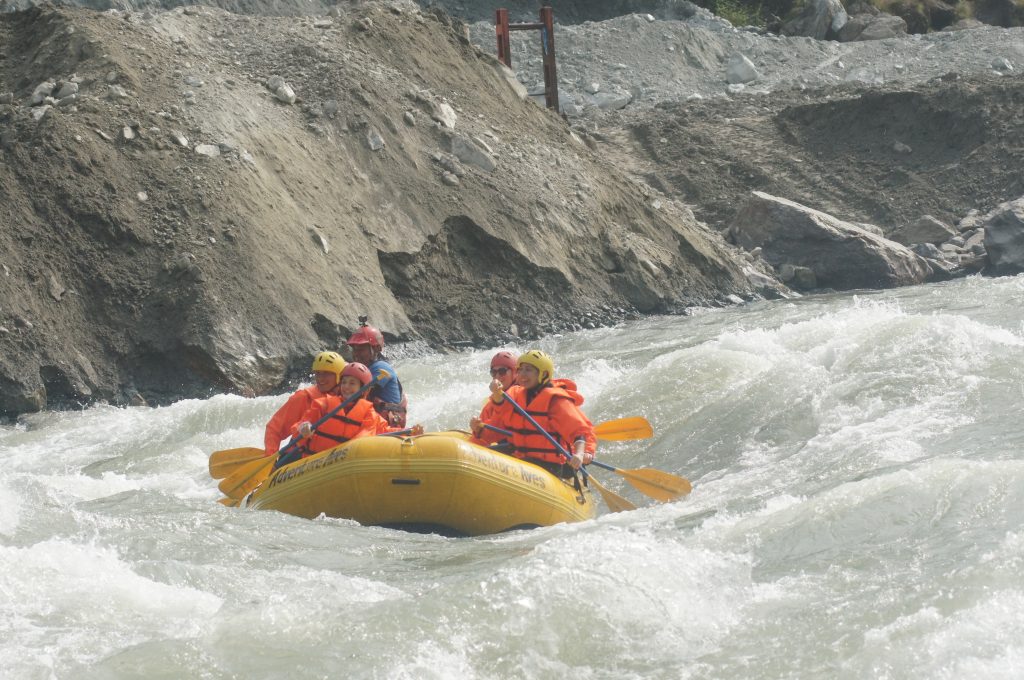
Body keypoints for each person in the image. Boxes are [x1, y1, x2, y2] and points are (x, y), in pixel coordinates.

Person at [472, 349, 596, 479]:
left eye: (528, 370)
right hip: (521, 459)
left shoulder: (555, 400)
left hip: (548, 466)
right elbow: (499, 425)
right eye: (520, 370)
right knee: (478, 459)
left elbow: (578, 432)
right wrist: (480, 429)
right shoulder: (515, 396)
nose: (522, 375)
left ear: (543, 373)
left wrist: (581, 453)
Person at [292, 362, 424, 456]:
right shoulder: (323, 405)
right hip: (314, 464)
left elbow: (387, 431)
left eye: (352, 383)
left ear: (364, 390)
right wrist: (304, 428)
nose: (346, 387)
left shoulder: (369, 414)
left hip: (346, 464)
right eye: (344, 382)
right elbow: (301, 425)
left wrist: (410, 432)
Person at [263, 351, 346, 456]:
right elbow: (274, 429)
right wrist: (271, 456)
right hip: (297, 458)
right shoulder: (303, 397)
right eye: (318, 373)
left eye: (326, 373)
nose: (321, 378)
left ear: (339, 376)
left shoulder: (346, 398)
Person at [347, 318, 408, 428]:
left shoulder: (381, 368)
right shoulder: (361, 368)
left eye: (361, 349)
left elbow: (360, 394)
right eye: (354, 349)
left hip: (386, 425)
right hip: (372, 422)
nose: (356, 354)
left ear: (376, 349)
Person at [469, 350, 517, 447]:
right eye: (494, 372)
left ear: (515, 373)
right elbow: (482, 439)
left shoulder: (523, 395)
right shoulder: (490, 405)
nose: (498, 376)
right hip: (506, 451)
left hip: (522, 452)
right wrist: (478, 430)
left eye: (502, 371)